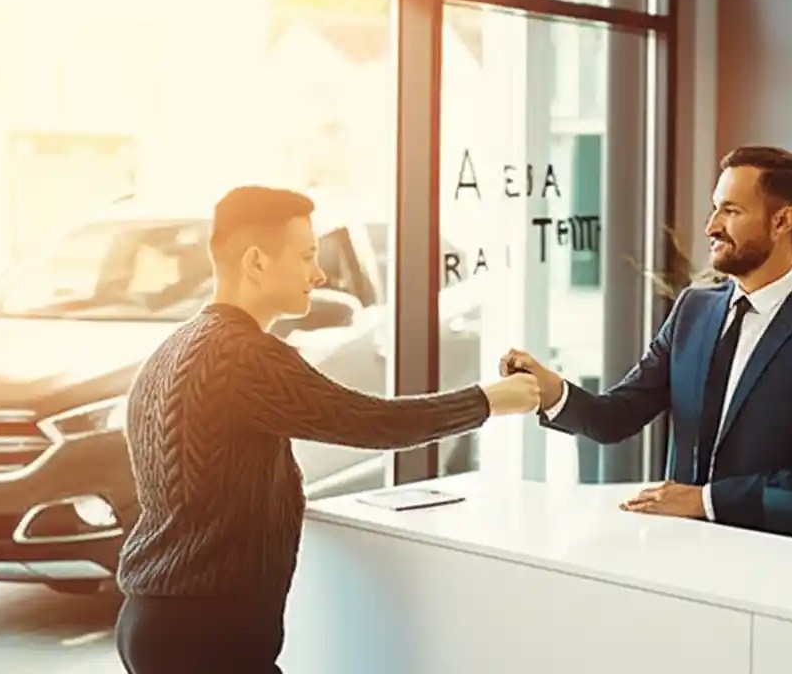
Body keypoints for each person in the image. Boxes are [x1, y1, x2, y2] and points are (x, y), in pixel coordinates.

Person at [114, 186, 540, 673]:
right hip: (207, 635)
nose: (319, 274)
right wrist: (488, 401)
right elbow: (369, 421)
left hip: (156, 618)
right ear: (256, 262)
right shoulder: (243, 356)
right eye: (306, 255)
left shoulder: (172, 349)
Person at [502, 146, 792, 528]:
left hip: (768, 558)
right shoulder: (692, 310)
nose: (711, 226)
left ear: (782, 222)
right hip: (676, 546)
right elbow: (617, 415)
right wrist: (553, 391)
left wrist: (706, 501)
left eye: (731, 211)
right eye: (716, 208)